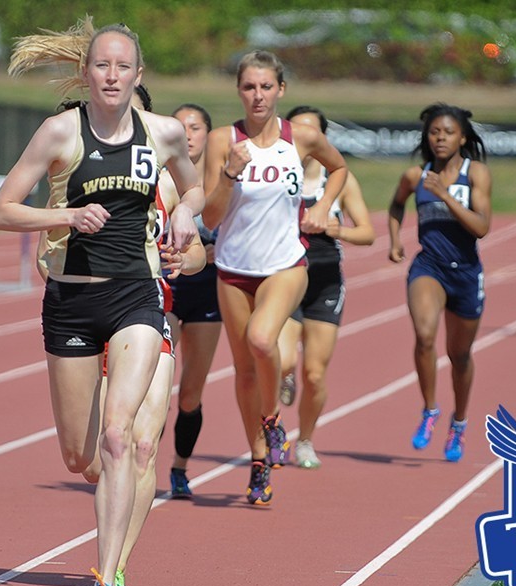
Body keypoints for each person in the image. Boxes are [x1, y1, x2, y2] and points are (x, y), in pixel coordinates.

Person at [0, 19, 204, 586]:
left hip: (136, 298)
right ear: (87, 73)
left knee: (120, 437)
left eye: (123, 67)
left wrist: (185, 218)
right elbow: (0, 211)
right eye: (102, 66)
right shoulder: (60, 131)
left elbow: (195, 191)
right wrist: (65, 213)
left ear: (139, 75)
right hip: (71, 303)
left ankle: (104, 585)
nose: (112, 76)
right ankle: (106, 512)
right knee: (80, 455)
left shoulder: (162, 134)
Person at [202, 50, 347, 504]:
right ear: (239, 91)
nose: (258, 95)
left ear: (280, 90)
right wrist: (228, 173)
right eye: (249, 87)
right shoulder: (221, 141)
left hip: (286, 265)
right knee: (244, 372)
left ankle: (271, 421)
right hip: (232, 270)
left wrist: (322, 207)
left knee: (263, 341)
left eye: (266, 86)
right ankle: (259, 459)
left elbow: (339, 168)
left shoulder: (301, 138)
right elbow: (210, 213)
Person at [387, 103, 491, 463]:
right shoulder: (416, 176)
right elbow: (396, 205)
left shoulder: (475, 173)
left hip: (466, 272)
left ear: (462, 136)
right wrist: (396, 238)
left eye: (448, 132)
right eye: (434, 132)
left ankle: (458, 421)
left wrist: (445, 195)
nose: (440, 138)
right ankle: (429, 410)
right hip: (428, 266)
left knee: (459, 355)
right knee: (425, 336)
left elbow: (481, 226)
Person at [275, 105, 375, 469]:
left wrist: (336, 229)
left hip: (325, 281)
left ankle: (304, 441)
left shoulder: (340, 180)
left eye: (310, 133)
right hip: (285, 277)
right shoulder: (275, 174)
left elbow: (367, 233)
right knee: (282, 360)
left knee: (315, 374)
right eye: (294, 131)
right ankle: (273, 425)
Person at [164, 102, 222, 499]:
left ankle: (180, 467)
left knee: (190, 393)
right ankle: (137, 461)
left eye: (196, 127)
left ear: (207, 134)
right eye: (180, 126)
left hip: (206, 289)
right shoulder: (159, 178)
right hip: (165, 288)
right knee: (152, 383)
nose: (188, 133)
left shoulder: (220, 183)